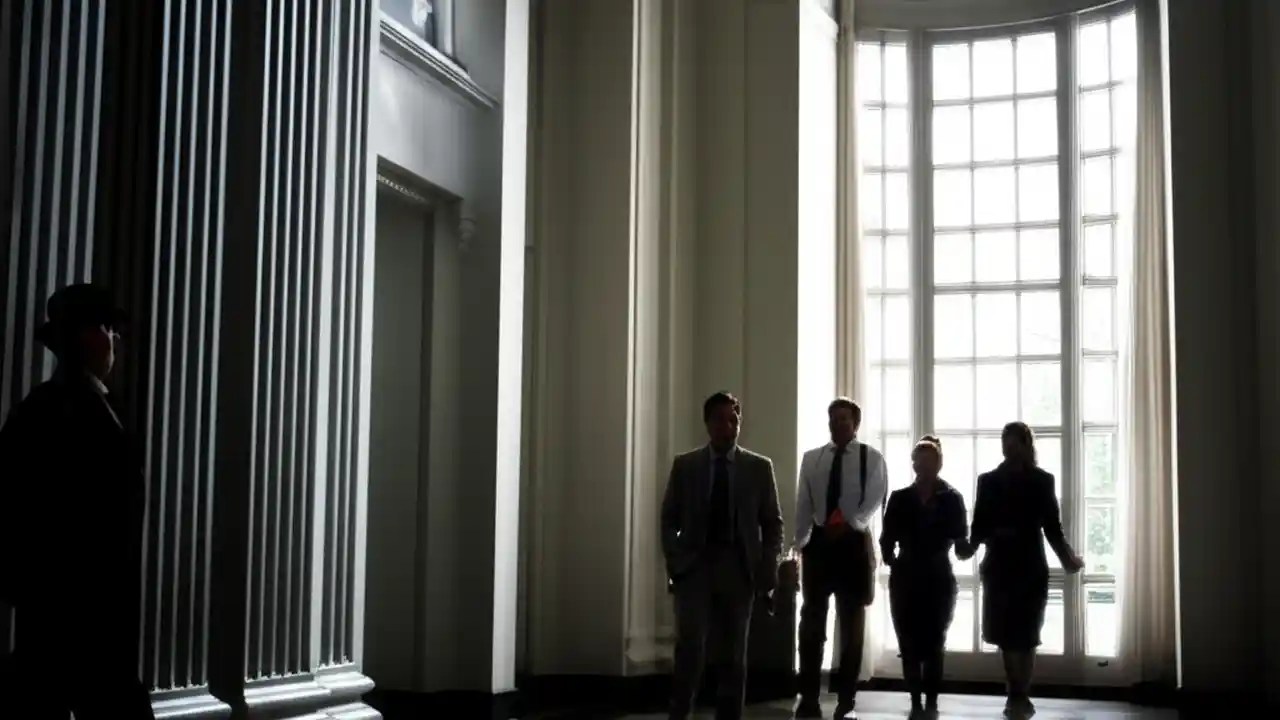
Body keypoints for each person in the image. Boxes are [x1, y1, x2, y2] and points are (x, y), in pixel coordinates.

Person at [0, 284, 154, 719]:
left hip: (59, 612)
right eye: (108, 328)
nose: (115, 340)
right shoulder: (73, 410)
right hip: (82, 612)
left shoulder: (41, 409)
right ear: (88, 336)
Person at [661, 391, 784, 720]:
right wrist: (676, 562)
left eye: (734, 419)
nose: (728, 427)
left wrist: (767, 567)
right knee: (689, 650)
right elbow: (668, 517)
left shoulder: (758, 467)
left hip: (738, 568)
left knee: (734, 658)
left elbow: (773, 523)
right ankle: (680, 715)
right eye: (720, 419)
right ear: (707, 423)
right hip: (695, 568)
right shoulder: (686, 466)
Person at [958, 421, 1083, 719]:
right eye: (1005, 441)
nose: (1009, 447)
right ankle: (1017, 694)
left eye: (1014, 442)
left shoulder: (1043, 481)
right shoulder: (988, 481)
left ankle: (1018, 694)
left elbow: (1053, 527)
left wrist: (1068, 559)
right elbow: (980, 524)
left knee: (1026, 635)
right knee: (1008, 636)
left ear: (1026, 445)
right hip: (1001, 567)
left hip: (1028, 567)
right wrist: (969, 547)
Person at [794, 398, 888, 720]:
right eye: (833, 419)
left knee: (851, 625)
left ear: (855, 423)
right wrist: (799, 543)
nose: (838, 425)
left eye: (844, 420)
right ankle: (808, 697)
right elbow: (803, 502)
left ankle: (846, 700)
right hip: (819, 544)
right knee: (811, 623)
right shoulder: (812, 459)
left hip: (852, 543)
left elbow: (875, 497)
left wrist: (850, 525)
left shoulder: (871, 458)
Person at [880, 436, 968, 719]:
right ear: (913, 463)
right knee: (908, 640)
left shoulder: (952, 498)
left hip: (938, 576)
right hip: (906, 576)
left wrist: (977, 540)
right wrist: (895, 563)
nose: (924, 464)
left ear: (939, 463)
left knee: (934, 640)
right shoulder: (900, 497)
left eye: (930, 459)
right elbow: (886, 540)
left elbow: (961, 542)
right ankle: (915, 698)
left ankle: (930, 700)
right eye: (919, 459)